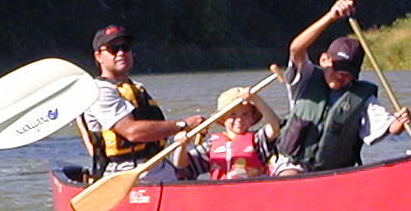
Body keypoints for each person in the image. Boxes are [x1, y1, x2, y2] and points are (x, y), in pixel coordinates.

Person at [272, 0, 411, 174]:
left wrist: (400, 122)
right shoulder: (305, 78)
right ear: (324, 60)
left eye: (348, 73)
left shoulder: (362, 96)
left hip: (336, 171)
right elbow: (296, 49)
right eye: (337, 69)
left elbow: (390, 127)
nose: (341, 76)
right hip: (294, 164)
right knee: (291, 177)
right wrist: (331, 17)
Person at [79, 25, 204, 181]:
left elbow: (157, 131)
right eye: (113, 49)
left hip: (158, 166)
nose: (121, 53)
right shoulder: (99, 91)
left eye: (125, 47)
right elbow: (132, 131)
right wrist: (182, 124)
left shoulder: (137, 88)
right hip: (125, 174)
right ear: (98, 57)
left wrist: (184, 136)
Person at [202, 83, 281, 179]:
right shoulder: (210, 144)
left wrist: (256, 100)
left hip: (251, 187)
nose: (239, 119)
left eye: (245, 114)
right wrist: (184, 144)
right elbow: (185, 165)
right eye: (232, 114)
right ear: (223, 119)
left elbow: (275, 127)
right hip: (220, 187)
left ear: (252, 118)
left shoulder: (257, 140)